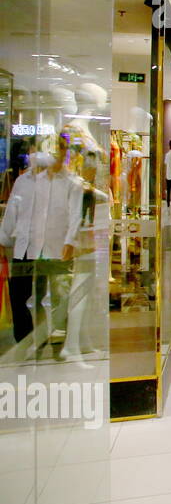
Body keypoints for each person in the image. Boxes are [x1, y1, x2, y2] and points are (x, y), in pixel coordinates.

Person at [0, 138, 82, 353]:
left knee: (57, 295)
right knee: (20, 296)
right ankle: (26, 341)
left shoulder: (68, 182)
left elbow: (74, 215)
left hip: (54, 248)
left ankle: (58, 341)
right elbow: (12, 214)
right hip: (25, 248)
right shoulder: (22, 182)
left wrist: (69, 242)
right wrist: (4, 240)